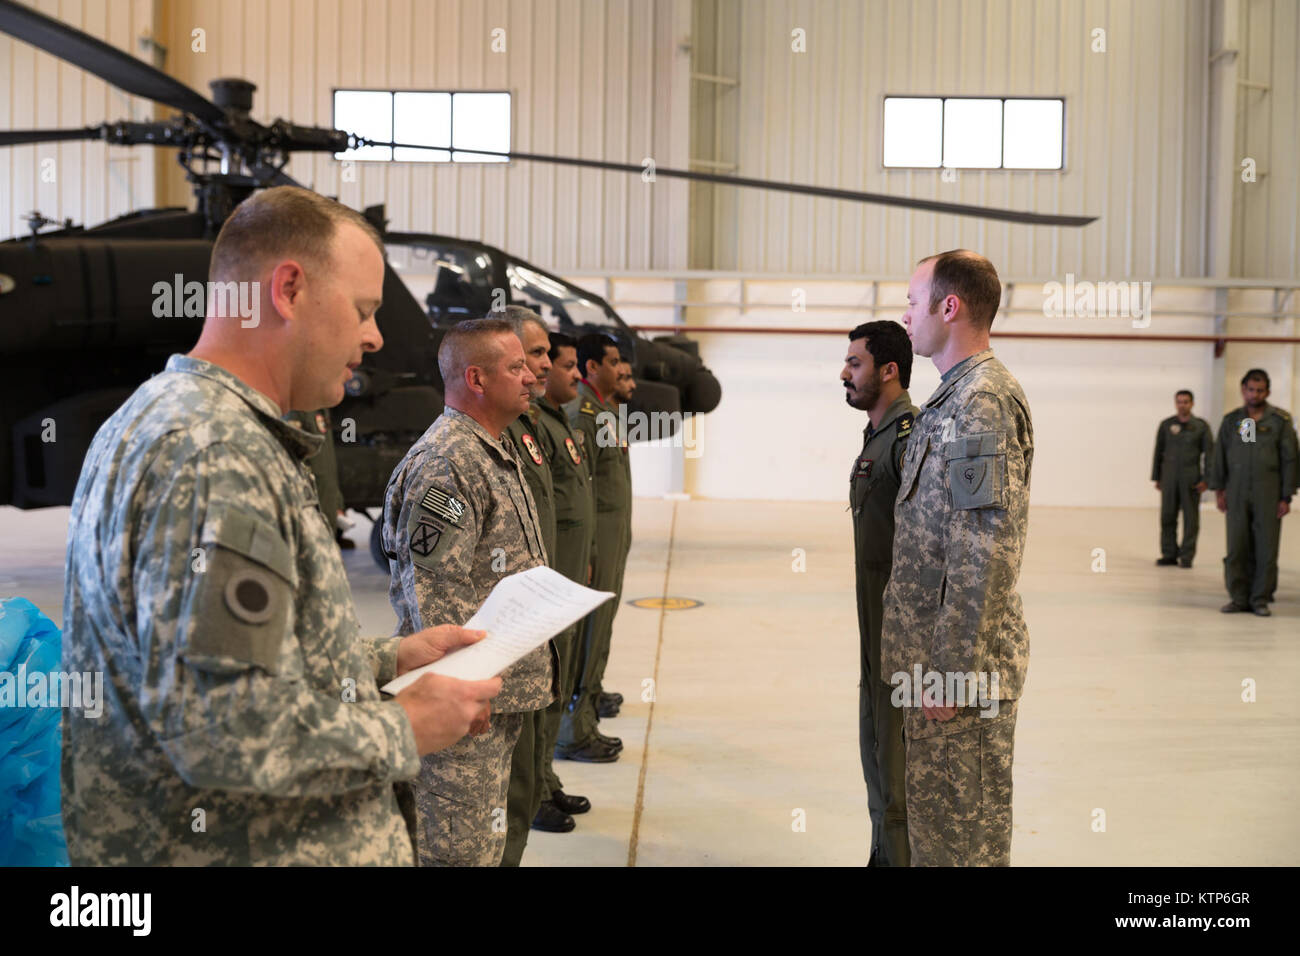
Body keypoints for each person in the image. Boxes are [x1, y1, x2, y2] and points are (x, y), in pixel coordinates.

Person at [60, 186, 500, 866]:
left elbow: (241, 664)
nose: (375, 337)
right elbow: (219, 730)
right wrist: (406, 727)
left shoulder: (186, 422)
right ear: (288, 289)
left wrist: (389, 660)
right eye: (362, 310)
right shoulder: (215, 453)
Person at [382, 318, 556, 866]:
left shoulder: (487, 449)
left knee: (481, 844)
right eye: (516, 367)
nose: (530, 377)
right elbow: (432, 594)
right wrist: (462, 689)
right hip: (464, 700)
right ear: (476, 379)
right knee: (455, 853)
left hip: (493, 692)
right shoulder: (448, 462)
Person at [882, 249, 1033, 867]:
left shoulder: (982, 403)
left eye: (913, 302)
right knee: (939, 834)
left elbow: (982, 548)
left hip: (957, 677)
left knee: (962, 845)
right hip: (934, 669)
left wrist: (951, 668)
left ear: (951, 306)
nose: (906, 313)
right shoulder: (952, 398)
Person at [841, 320, 917, 867]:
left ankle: (897, 856)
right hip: (876, 625)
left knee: (894, 753)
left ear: (888, 370)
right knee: (874, 739)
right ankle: (882, 852)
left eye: (856, 363)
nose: (845, 372)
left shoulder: (910, 437)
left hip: (899, 628)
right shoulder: (879, 435)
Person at [500, 306, 562, 861]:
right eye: (530, 356)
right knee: (497, 807)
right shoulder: (463, 451)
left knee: (518, 799)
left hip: (533, 632)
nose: (540, 367)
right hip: (495, 661)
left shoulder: (527, 427)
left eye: (542, 356)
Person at [532, 331, 599, 828]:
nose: (578, 376)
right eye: (568, 365)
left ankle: (545, 779)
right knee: (541, 688)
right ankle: (532, 791)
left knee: (558, 680)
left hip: (571, 574)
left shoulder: (554, 420)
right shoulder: (534, 425)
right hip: (551, 578)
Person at [556, 334, 627, 762]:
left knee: (600, 630)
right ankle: (574, 729)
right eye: (614, 362)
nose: (621, 370)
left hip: (611, 542)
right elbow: (584, 488)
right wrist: (590, 551)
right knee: (585, 635)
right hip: (597, 545)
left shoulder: (602, 411)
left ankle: (588, 704)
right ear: (591, 367)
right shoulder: (584, 416)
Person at [1210, 369, 1298, 616]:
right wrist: (1219, 489)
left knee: (1266, 548)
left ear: (1267, 392)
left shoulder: (1279, 421)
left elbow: (1290, 458)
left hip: (1268, 492)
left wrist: (1286, 495)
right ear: (1243, 390)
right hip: (1237, 491)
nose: (1254, 394)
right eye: (1250, 389)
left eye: (1259, 390)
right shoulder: (1234, 421)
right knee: (1237, 546)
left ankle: (1260, 598)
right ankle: (1239, 598)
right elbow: (1221, 456)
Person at [1151, 390, 1212, 567]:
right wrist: (1157, 476)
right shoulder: (1166, 425)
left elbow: (1210, 454)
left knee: (1191, 519)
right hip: (1169, 476)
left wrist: (1207, 479)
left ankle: (1186, 556)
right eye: (1179, 402)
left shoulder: (1200, 426)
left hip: (1191, 476)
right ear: (1175, 403)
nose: (1182, 405)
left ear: (1192, 404)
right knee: (1167, 516)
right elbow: (1158, 451)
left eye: (1186, 402)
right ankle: (1169, 553)